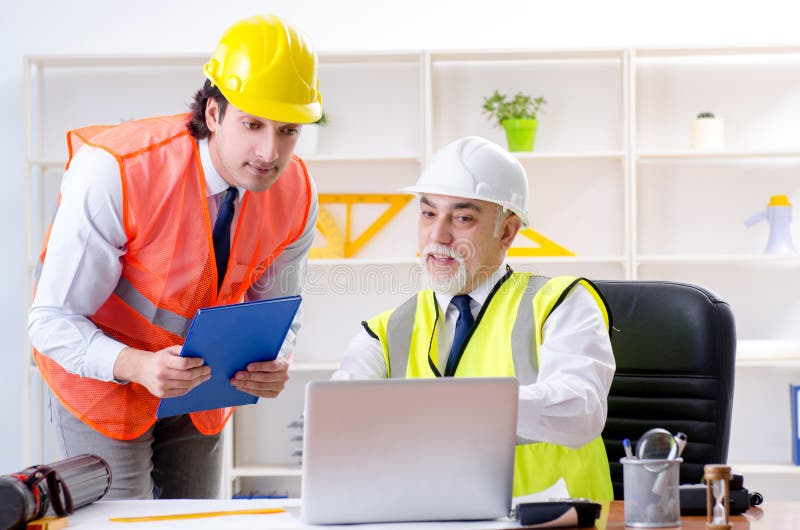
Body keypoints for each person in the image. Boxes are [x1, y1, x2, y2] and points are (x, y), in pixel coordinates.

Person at [27, 14, 321, 500]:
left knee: (194, 521)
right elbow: (51, 319)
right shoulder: (115, 172)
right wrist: (137, 366)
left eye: (288, 130)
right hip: (106, 379)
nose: (270, 152)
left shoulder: (297, 191)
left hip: (203, 387)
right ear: (213, 113)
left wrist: (276, 358)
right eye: (252, 124)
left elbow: (279, 309)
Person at [333, 136, 616, 501]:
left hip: (553, 522)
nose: (438, 236)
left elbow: (581, 411)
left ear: (507, 231)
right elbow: (339, 417)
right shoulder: (385, 332)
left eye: (462, 217)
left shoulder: (560, 304)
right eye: (428, 213)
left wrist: (452, 406)